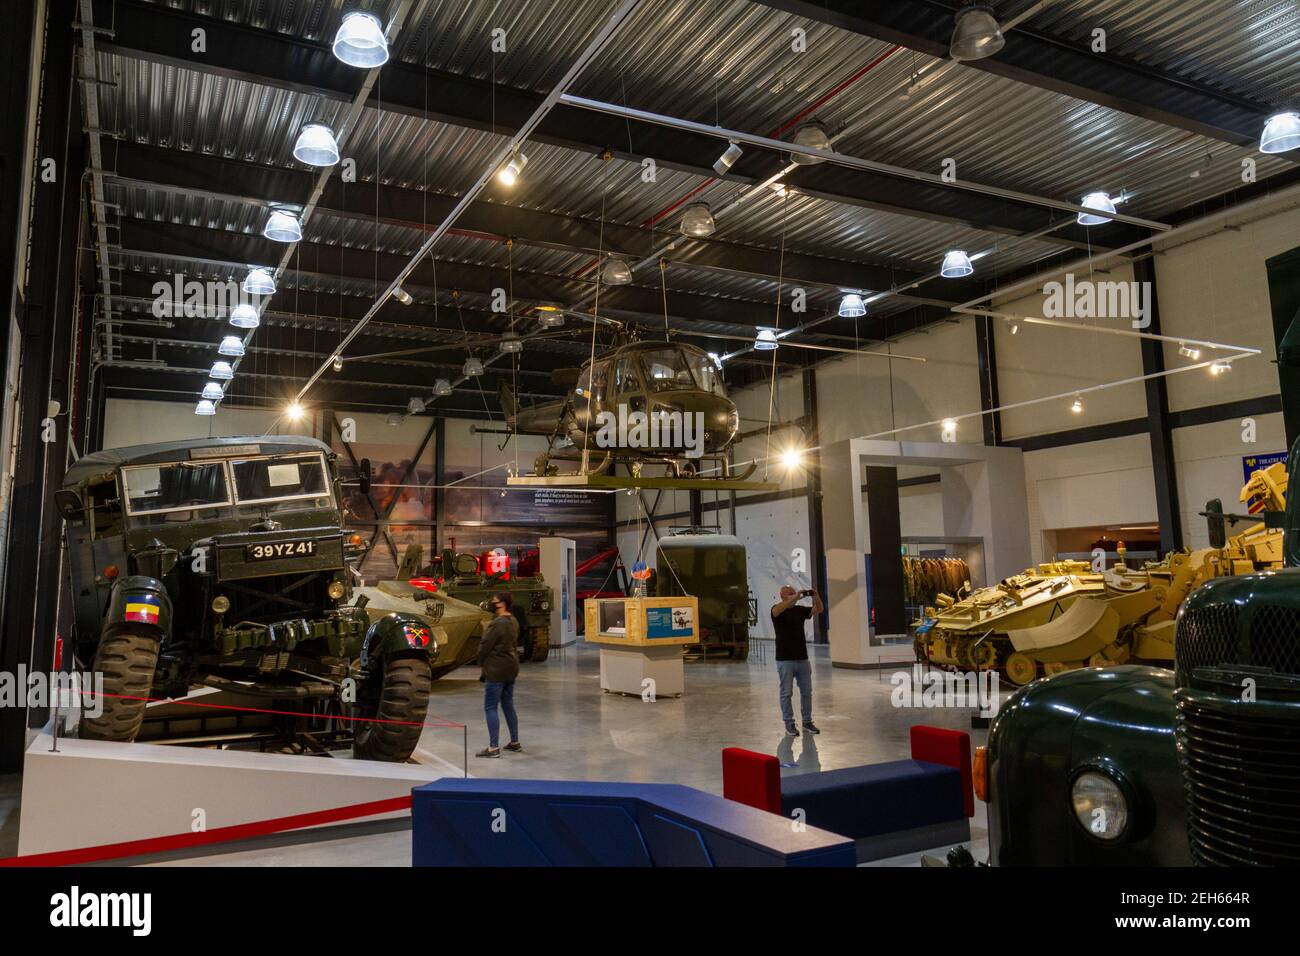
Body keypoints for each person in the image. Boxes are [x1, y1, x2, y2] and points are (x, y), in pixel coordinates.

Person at [771, 585, 824, 737]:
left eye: (794, 593)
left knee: (807, 692)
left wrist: (815, 595)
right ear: (782, 596)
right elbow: (777, 611)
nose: (794, 595)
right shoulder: (776, 609)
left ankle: (807, 721)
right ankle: (789, 723)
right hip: (785, 660)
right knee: (786, 693)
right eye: (790, 593)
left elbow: (818, 609)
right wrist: (795, 597)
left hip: (802, 659)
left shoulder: (800, 610)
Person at [476, 591, 522, 757]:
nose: (492, 604)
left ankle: (493, 747)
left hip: (496, 670)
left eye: (494, 601)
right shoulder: (513, 620)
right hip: (511, 668)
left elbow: (485, 645)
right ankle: (514, 742)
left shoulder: (498, 623)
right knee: (508, 705)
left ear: (502, 604)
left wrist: (480, 661)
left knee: (490, 707)